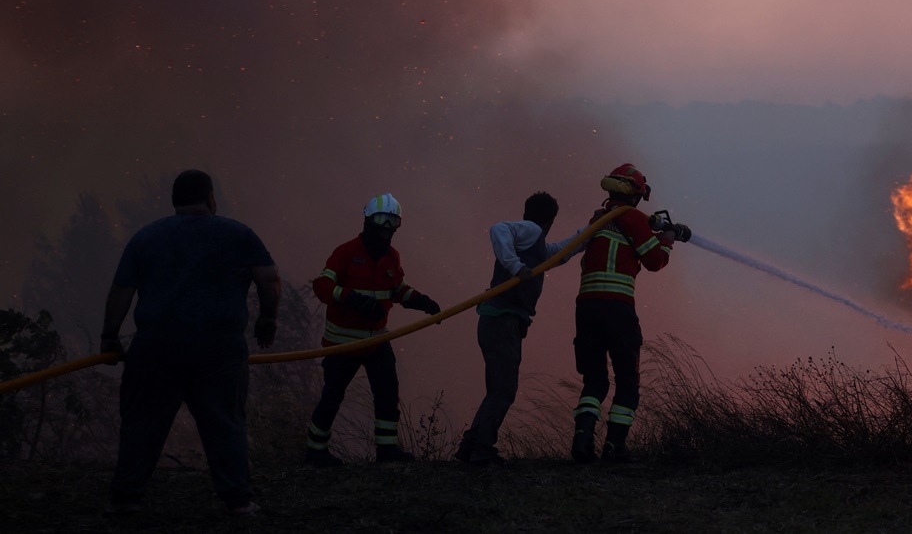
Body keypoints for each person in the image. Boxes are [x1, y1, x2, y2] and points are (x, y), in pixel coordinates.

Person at [99, 169, 281, 517]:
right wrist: (267, 319)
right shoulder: (238, 234)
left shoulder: (146, 238)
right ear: (211, 199)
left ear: (174, 202)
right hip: (219, 350)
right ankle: (239, 502)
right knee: (225, 424)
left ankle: (126, 498)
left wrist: (109, 336)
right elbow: (268, 278)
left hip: (156, 348)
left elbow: (122, 291)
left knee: (142, 423)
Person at [304, 193, 442, 467]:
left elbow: (397, 289)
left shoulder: (391, 256)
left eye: (393, 222)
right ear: (368, 220)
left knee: (387, 393)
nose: (386, 228)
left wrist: (421, 301)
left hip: (378, 341)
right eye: (382, 220)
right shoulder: (345, 252)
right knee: (332, 396)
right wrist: (352, 298)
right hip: (343, 344)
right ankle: (315, 452)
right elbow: (321, 286)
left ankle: (387, 452)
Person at [454, 192, 588, 466]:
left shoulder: (536, 245)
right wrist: (516, 267)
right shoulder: (531, 230)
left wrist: (590, 230)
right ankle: (481, 449)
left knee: (498, 389)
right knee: (504, 389)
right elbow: (498, 229)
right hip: (501, 320)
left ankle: (470, 445)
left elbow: (563, 251)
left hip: (501, 321)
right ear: (550, 219)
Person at [571, 163, 690, 463]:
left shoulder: (597, 220)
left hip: (586, 309)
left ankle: (582, 441)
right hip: (617, 310)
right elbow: (654, 262)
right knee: (627, 380)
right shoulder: (634, 219)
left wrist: (654, 227)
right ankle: (615, 447)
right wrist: (669, 239)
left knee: (594, 382)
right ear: (636, 195)